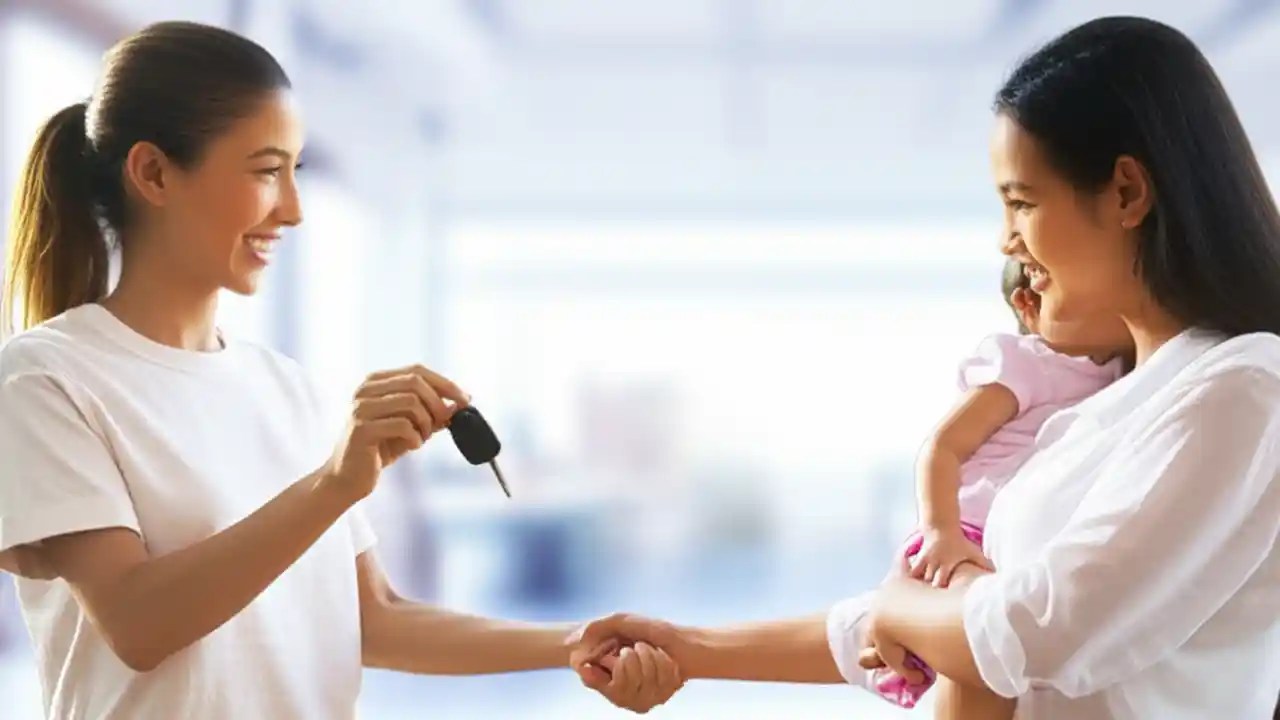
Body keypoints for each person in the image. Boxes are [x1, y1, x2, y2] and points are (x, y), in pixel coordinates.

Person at [568, 16, 1280, 719]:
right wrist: (688, 646)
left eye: (1021, 203)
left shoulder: (1244, 388)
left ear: (1127, 192)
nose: (1008, 241)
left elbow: (1030, 632)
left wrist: (905, 606)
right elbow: (938, 626)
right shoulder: (1115, 404)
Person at [0, 22, 680, 720]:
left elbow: (375, 618)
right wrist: (333, 484)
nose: (292, 210)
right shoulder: (45, 379)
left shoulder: (286, 387)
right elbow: (139, 624)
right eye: (266, 171)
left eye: (295, 170)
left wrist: (572, 643)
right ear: (153, 174)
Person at [866, 258, 1128, 712]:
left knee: (989, 655)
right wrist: (942, 534)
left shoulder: (1122, 369)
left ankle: (895, 641)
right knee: (981, 642)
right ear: (1029, 305)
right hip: (964, 531)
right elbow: (942, 449)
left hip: (1008, 545)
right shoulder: (1026, 362)